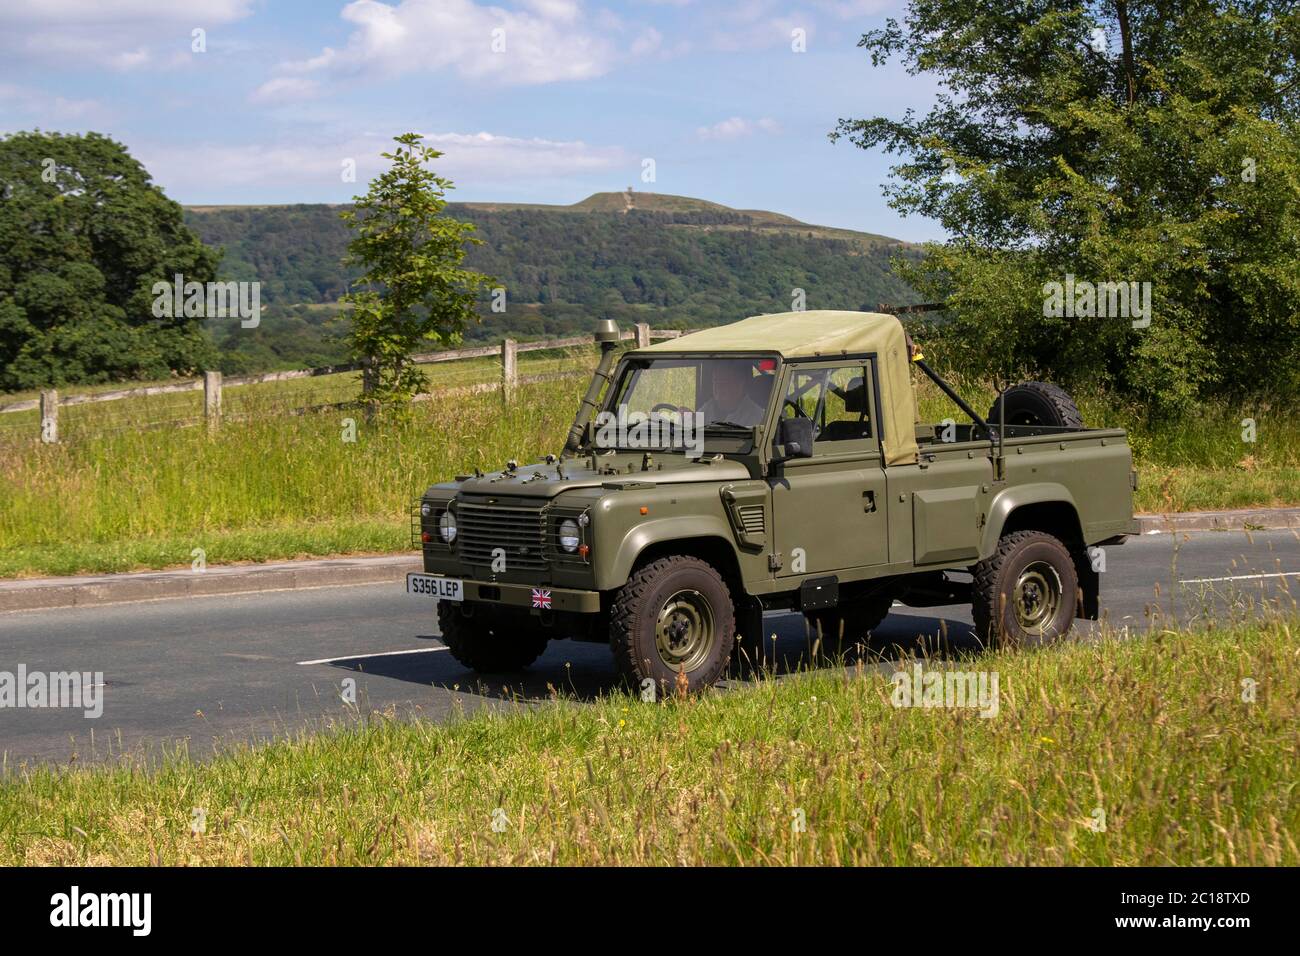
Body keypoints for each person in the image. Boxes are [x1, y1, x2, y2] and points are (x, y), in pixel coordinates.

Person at [698, 360, 767, 426]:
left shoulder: (758, 417)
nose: (718, 386)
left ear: (740, 384)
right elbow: (694, 435)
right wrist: (688, 417)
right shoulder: (709, 407)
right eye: (715, 380)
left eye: (724, 381)